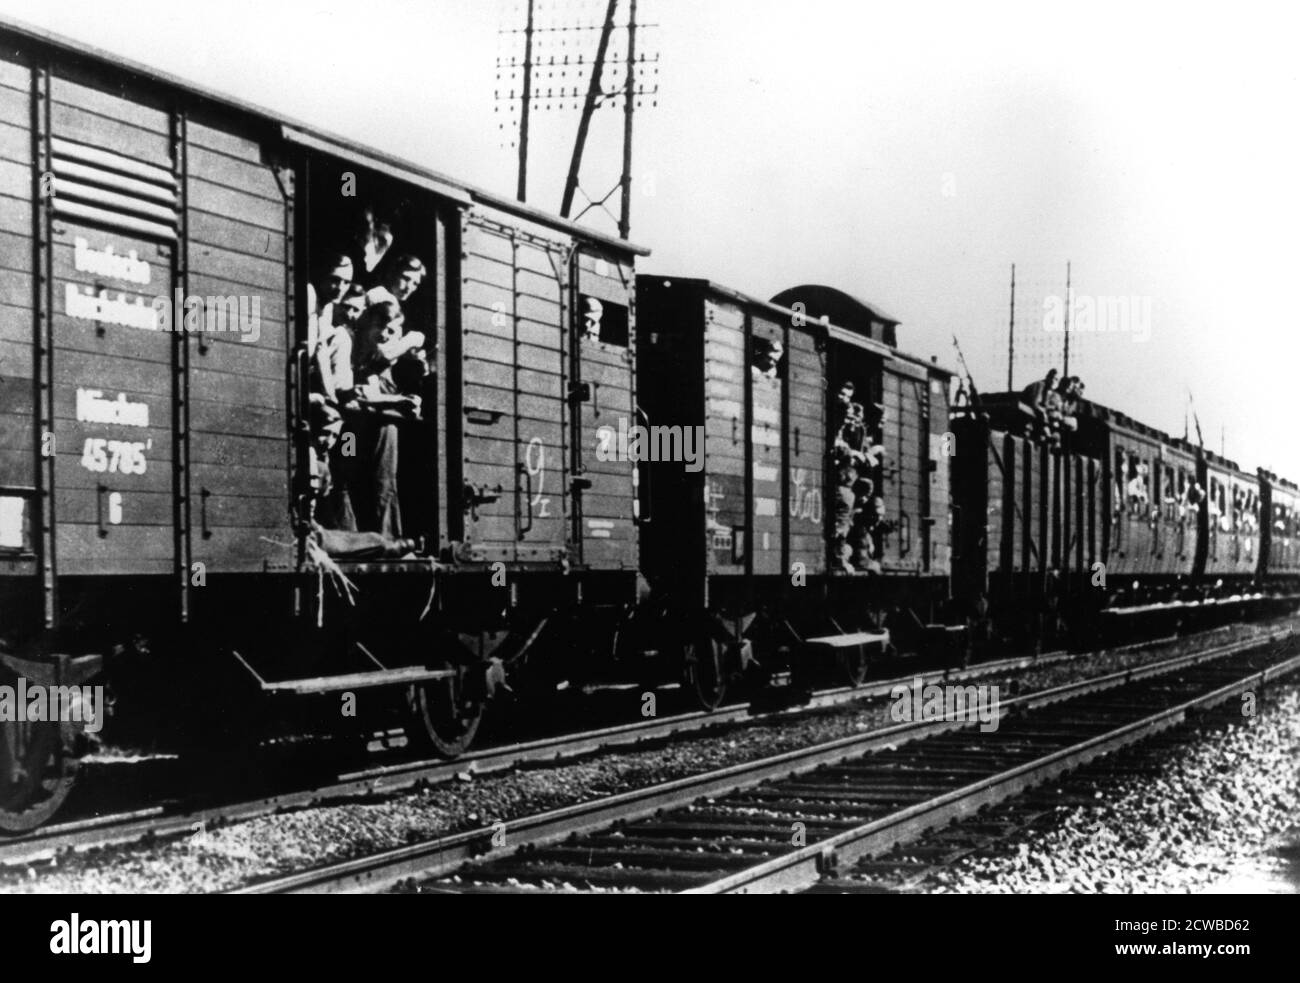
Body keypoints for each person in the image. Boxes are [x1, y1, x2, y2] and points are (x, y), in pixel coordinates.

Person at [347, 300, 426, 539]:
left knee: (379, 482)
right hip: (363, 429)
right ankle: (384, 538)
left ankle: (381, 537)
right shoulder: (367, 353)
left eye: (391, 331)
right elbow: (366, 397)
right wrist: (400, 402)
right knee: (379, 482)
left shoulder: (382, 360)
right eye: (379, 327)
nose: (384, 334)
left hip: (369, 429)